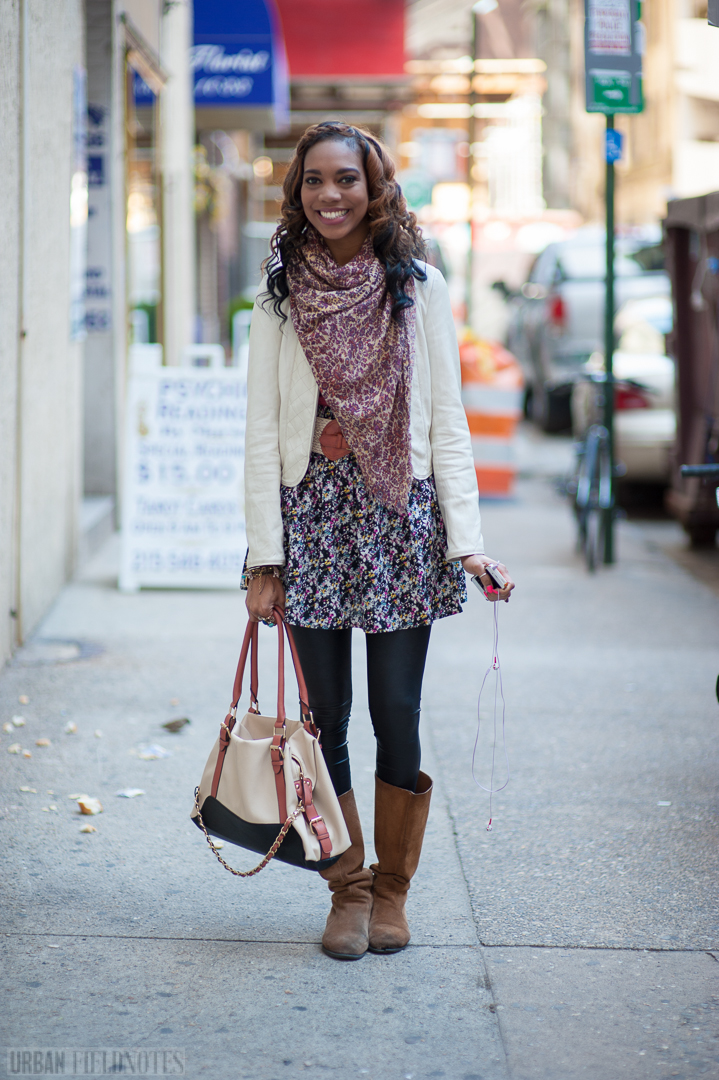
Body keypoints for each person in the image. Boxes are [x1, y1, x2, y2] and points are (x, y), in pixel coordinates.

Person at [243, 121, 514, 961]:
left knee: (397, 715)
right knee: (327, 719)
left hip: (402, 522)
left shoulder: (417, 285)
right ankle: (346, 887)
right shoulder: (280, 293)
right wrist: (263, 556)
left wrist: (466, 542)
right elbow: (260, 428)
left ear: (375, 188)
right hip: (314, 522)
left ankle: (392, 890)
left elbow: (447, 421)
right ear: (297, 191)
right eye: (315, 181)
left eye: (346, 181)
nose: (331, 195)